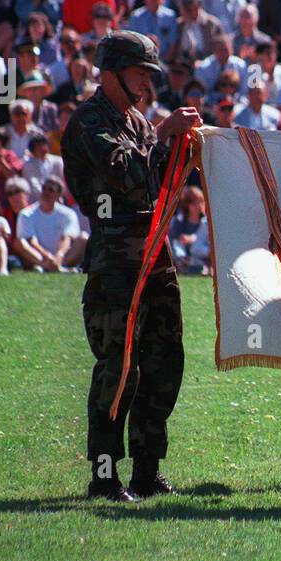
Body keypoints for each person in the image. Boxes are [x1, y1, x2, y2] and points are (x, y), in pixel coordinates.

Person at [60, 31, 201, 501]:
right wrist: (163, 134)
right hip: (116, 261)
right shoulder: (89, 121)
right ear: (113, 70)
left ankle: (146, 469)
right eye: (141, 71)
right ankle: (104, 476)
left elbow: (158, 182)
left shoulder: (138, 121)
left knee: (164, 361)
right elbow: (128, 178)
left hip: (155, 254)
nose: (147, 81)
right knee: (119, 369)